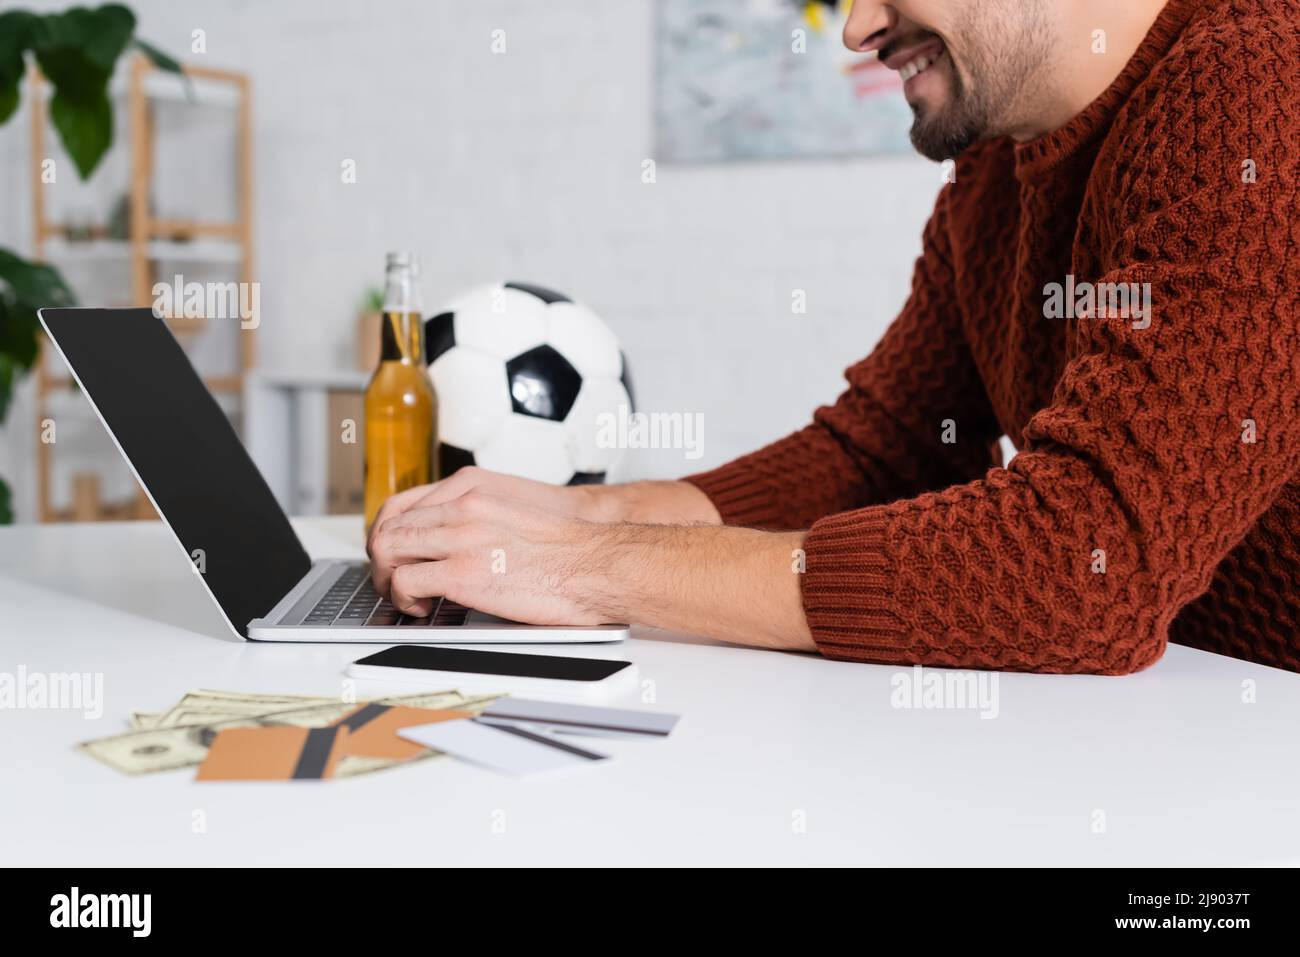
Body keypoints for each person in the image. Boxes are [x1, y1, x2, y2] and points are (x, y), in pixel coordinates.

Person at [368, 0, 1300, 675]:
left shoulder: (1261, 85)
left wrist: (595, 572)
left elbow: (1084, 560)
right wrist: (581, 518)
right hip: (1176, 747)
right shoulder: (992, 180)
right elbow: (887, 447)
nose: (854, 29)